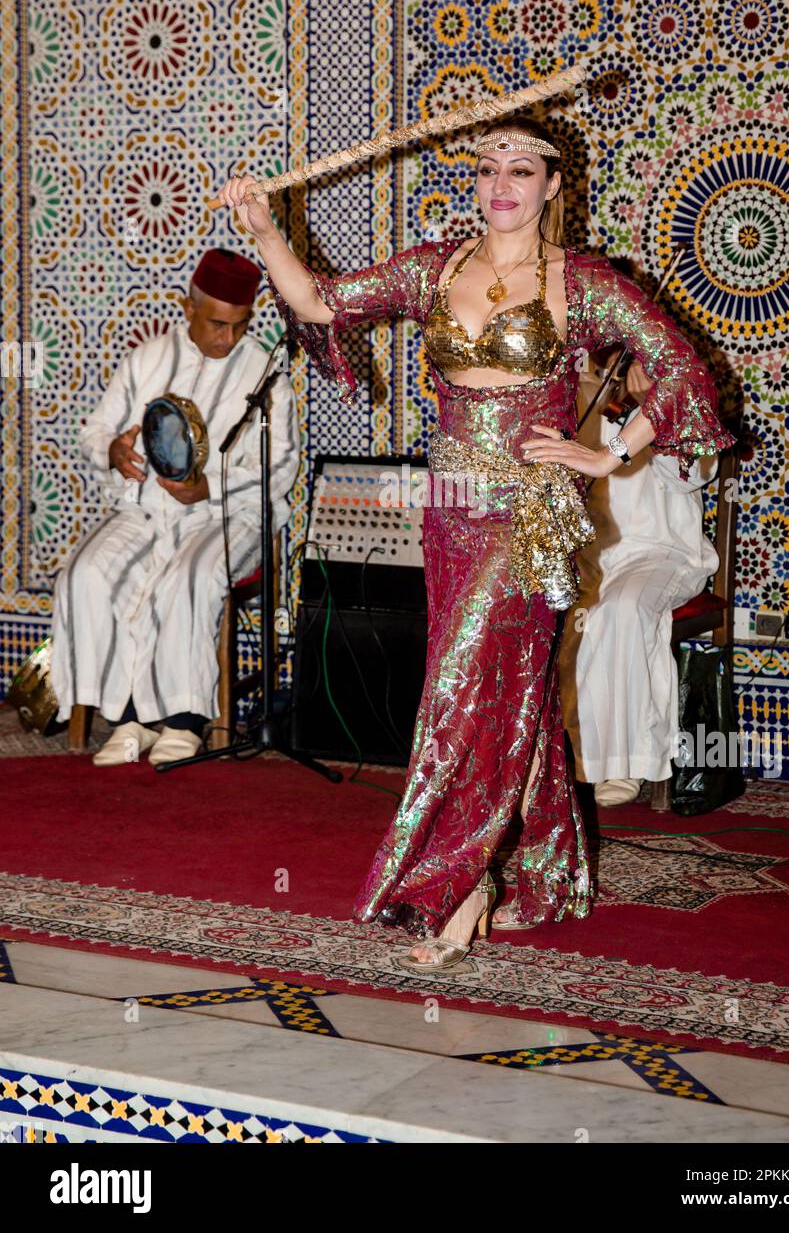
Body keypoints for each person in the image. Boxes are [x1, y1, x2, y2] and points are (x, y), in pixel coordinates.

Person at [218, 115, 734, 973]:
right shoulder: (437, 268)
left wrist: (604, 452)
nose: (502, 183)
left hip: (531, 515)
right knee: (502, 691)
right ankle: (541, 872)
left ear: (551, 185)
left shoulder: (582, 283)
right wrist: (267, 228)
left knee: (458, 686)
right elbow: (317, 303)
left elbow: (680, 370)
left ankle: (454, 885)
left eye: (522, 169)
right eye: (490, 166)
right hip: (450, 510)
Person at [51, 248, 300, 766]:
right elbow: (95, 430)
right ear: (187, 307)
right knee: (86, 574)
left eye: (238, 325)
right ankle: (128, 718)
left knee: (188, 577)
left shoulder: (264, 373)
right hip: (145, 511)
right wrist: (113, 451)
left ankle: (185, 721)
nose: (226, 339)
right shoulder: (147, 360)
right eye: (216, 324)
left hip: (228, 516)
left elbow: (282, 466)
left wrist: (208, 488)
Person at [558, 349, 722, 806]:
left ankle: (621, 762)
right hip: (587, 555)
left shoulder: (681, 388)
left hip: (661, 551)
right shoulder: (570, 394)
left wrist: (652, 405)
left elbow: (696, 474)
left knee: (623, 610)